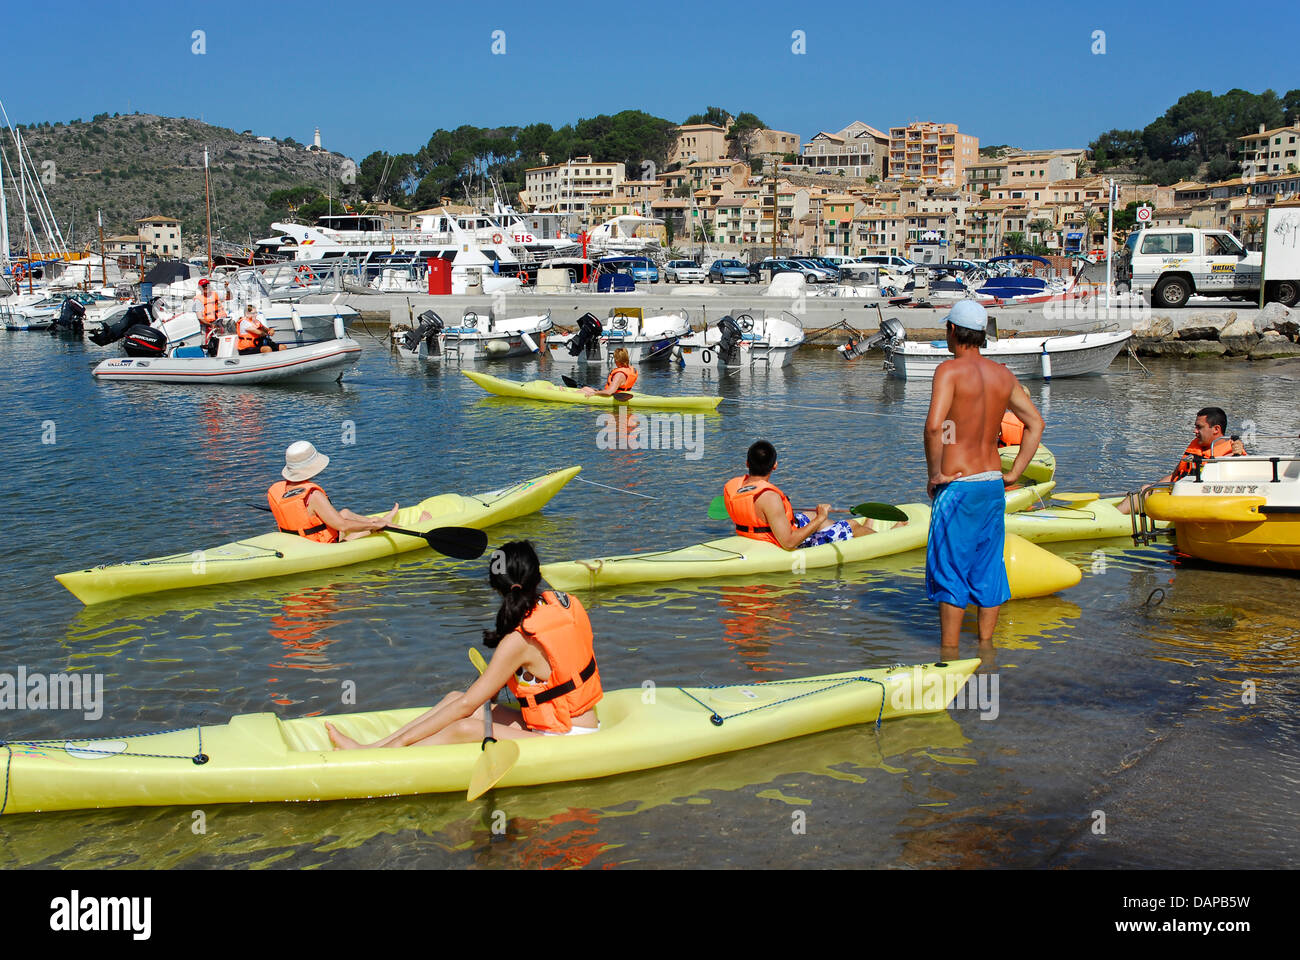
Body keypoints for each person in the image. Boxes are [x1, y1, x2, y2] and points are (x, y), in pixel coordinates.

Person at [328, 540, 602, 748]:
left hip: (566, 735)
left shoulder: (519, 640)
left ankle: (388, 755)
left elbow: (467, 709)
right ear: (536, 576)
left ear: (498, 589)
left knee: (465, 727)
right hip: (566, 721)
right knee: (453, 698)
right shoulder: (563, 603)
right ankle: (375, 747)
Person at [924, 300, 1043, 653]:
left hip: (958, 485)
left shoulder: (949, 371)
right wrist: (1015, 471)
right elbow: (1035, 424)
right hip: (991, 482)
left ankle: (948, 656)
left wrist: (935, 474)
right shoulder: (1003, 375)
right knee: (988, 566)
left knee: (951, 568)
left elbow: (935, 427)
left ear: (952, 332)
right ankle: (986, 652)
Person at [724, 440, 895, 550]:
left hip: (761, 532)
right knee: (850, 524)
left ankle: (863, 527)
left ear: (747, 463)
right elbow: (789, 543)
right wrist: (820, 519)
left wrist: (817, 517)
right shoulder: (769, 497)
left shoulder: (734, 487)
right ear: (775, 465)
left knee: (810, 515)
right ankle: (886, 537)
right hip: (781, 541)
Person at [266, 441, 404, 544]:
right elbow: (342, 526)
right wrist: (373, 526)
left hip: (299, 543)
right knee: (369, 527)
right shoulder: (313, 495)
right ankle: (392, 526)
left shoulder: (279, 490)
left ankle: (385, 521)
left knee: (344, 513)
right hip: (323, 547)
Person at [1116, 407, 1247, 514]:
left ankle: (1115, 518)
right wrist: (1154, 488)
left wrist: (1238, 455)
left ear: (1216, 429)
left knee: (1147, 491)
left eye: (1199, 427)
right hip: (1179, 494)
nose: (1195, 431)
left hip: (1197, 504)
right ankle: (1116, 514)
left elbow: (1242, 474)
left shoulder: (1232, 451)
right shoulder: (1196, 445)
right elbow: (1177, 475)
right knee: (1145, 489)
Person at [196, 278, 228, 357]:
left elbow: (229, 297)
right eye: (204, 286)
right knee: (207, 344)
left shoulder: (215, 294)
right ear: (200, 288)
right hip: (207, 326)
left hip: (217, 323)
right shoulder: (198, 300)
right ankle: (206, 356)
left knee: (220, 342)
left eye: (207, 285)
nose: (206, 287)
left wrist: (227, 288)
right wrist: (210, 325)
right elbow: (200, 318)